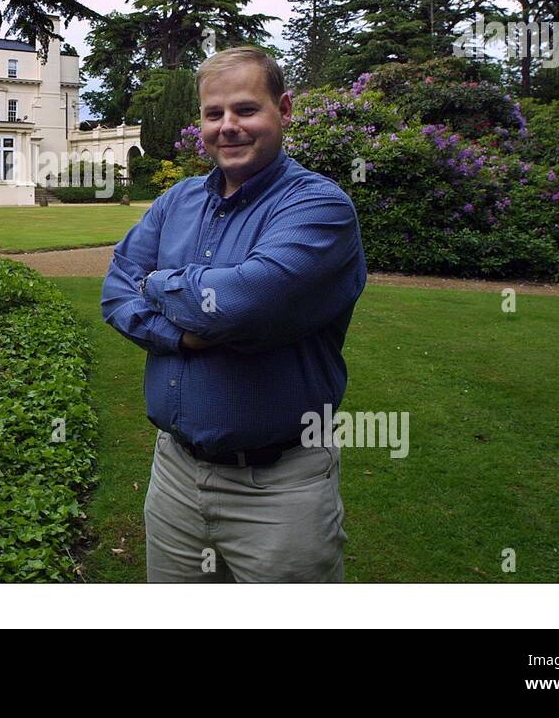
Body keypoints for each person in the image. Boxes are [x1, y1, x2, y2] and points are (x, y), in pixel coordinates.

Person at [101, 46, 367, 582]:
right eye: (213, 113)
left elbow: (242, 301)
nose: (228, 127)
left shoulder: (318, 206)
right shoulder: (177, 201)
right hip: (175, 475)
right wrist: (181, 338)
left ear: (284, 109)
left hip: (279, 490)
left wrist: (157, 283)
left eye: (246, 109)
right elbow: (114, 295)